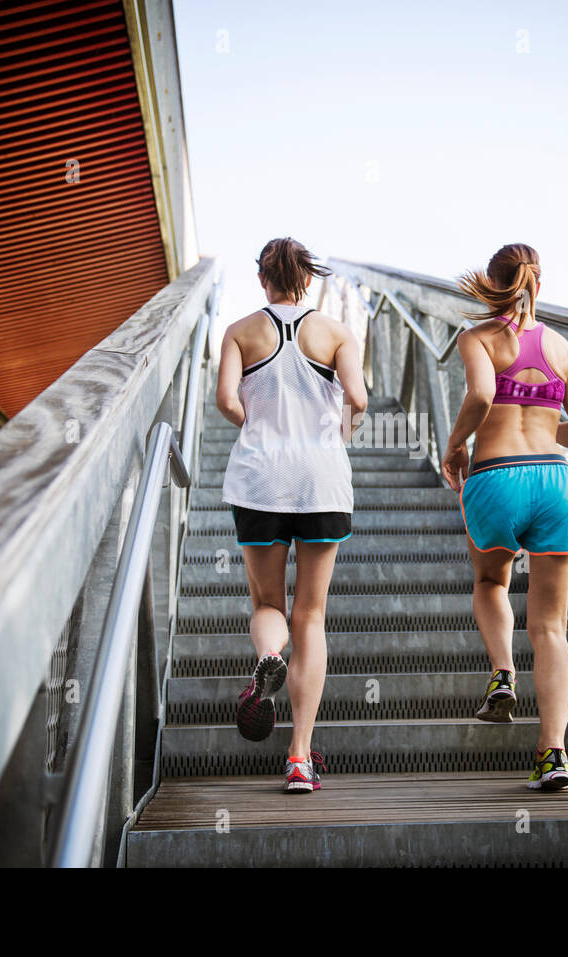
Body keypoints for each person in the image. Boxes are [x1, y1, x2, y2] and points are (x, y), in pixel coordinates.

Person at [441, 243, 568, 791]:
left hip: (496, 477)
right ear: (539, 283)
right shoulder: (560, 346)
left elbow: (482, 394)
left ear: (492, 281)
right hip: (555, 481)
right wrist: (538, 427)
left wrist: (457, 444)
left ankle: (502, 675)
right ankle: (552, 755)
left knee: (490, 581)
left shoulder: (477, 337)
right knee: (551, 627)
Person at [216, 237, 368, 792]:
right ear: (308, 278)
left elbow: (226, 400)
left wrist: (253, 427)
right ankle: (300, 758)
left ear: (263, 279)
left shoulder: (240, 331)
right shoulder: (336, 332)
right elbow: (359, 397)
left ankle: (269, 655)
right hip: (322, 483)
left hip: (260, 481)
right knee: (312, 614)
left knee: (266, 603)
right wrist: (338, 436)